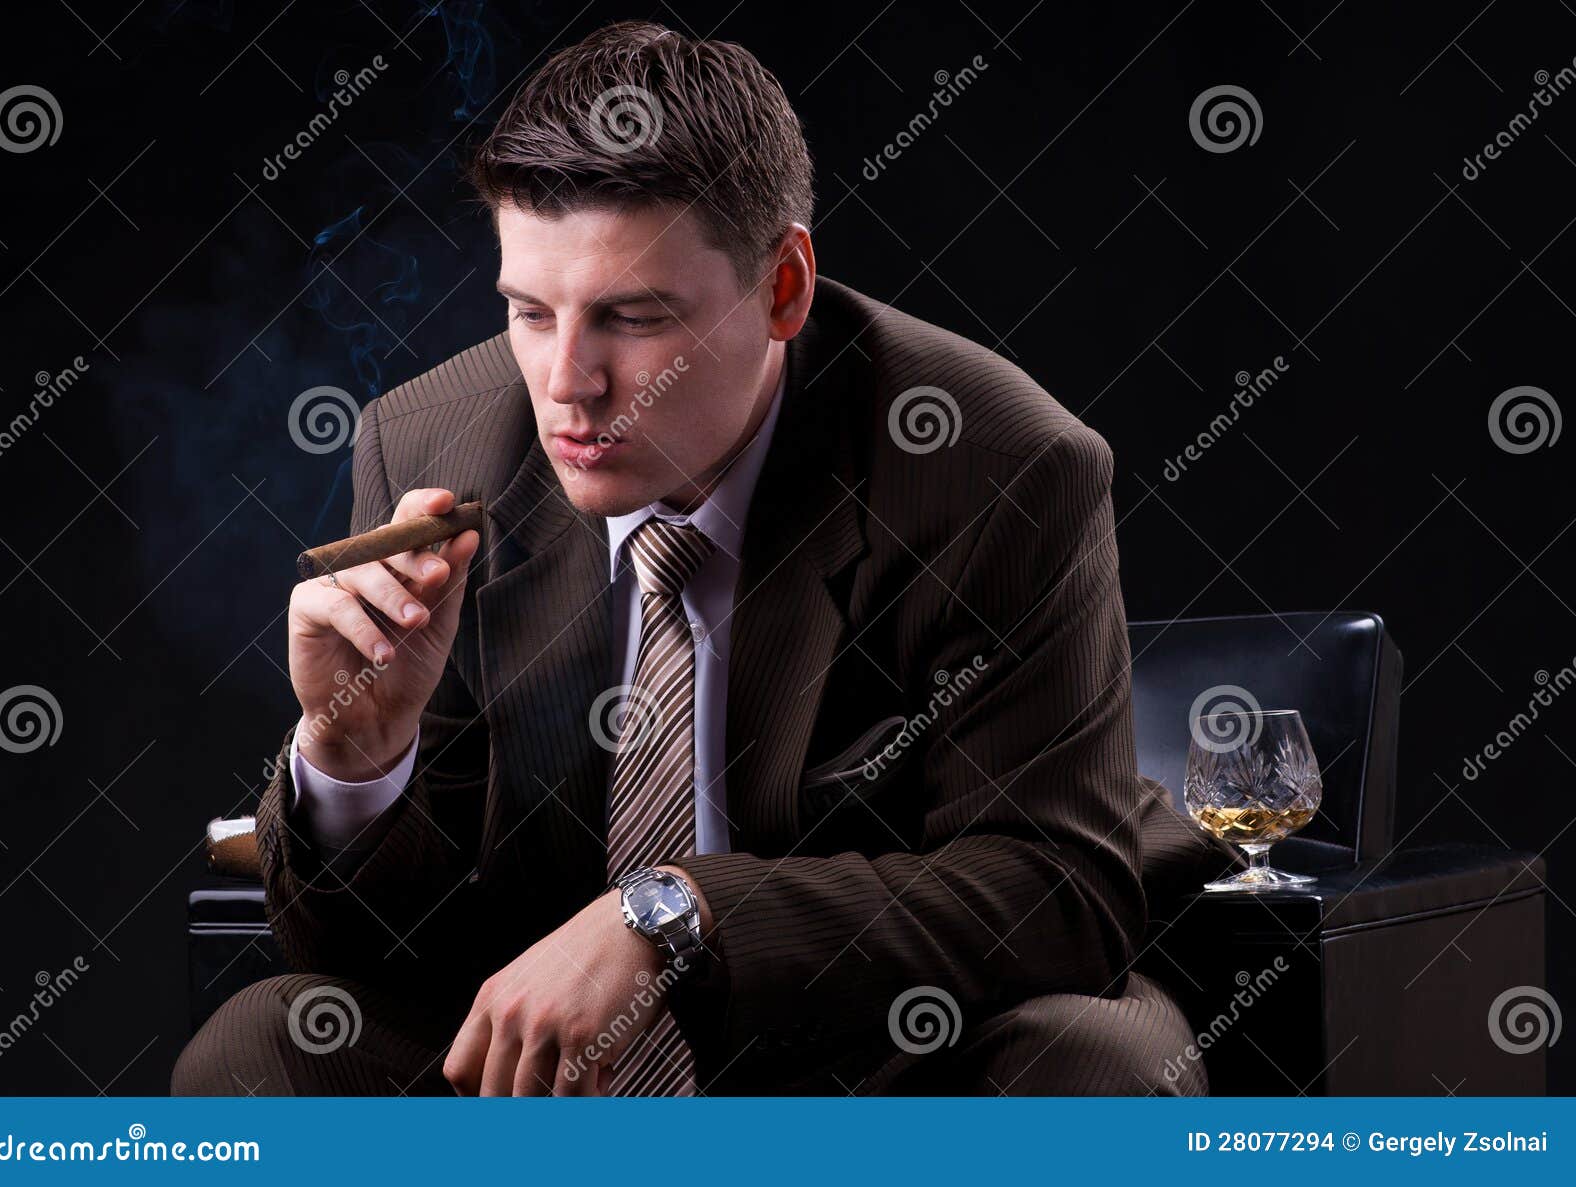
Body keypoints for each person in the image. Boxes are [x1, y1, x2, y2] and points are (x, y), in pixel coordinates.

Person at [173, 19, 1227, 1098]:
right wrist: (355, 756)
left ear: (782, 287)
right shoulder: (431, 443)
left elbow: (1058, 888)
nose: (566, 385)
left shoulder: (994, 464)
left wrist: (677, 911)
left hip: (872, 1059)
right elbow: (367, 955)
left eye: (630, 317)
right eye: (528, 314)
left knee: (1106, 1063)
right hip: (548, 1072)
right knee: (265, 1044)